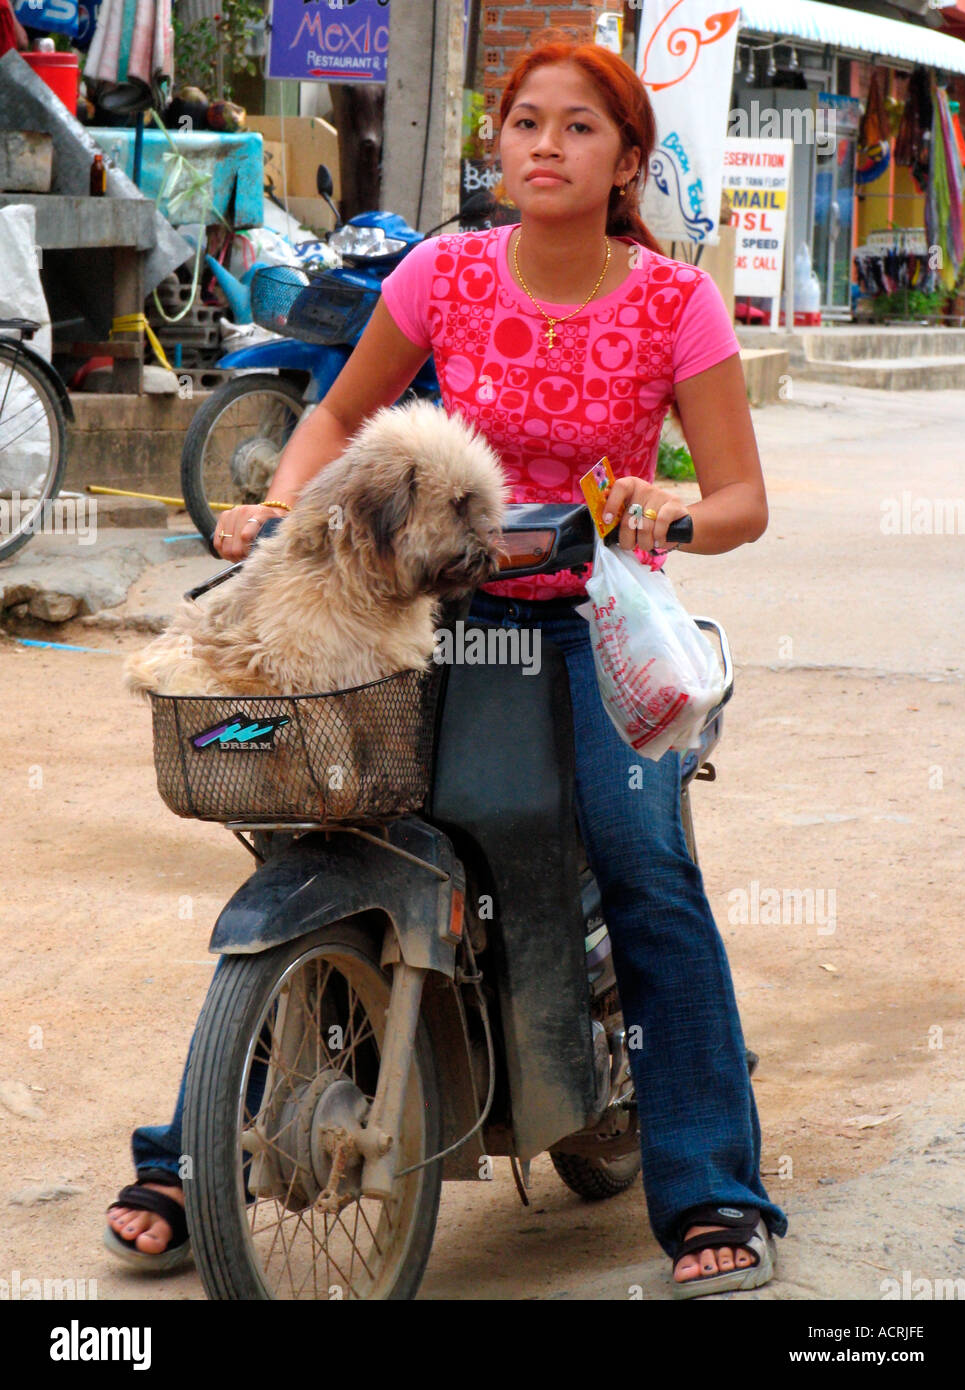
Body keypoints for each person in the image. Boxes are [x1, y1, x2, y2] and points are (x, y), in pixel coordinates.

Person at [107, 29, 787, 1297]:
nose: (544, 143)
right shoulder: (444, 272)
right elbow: (341, 411)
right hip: (424, 615)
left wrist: (664, 509)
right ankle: (200, 1151)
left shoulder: (672, 302)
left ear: (624, 156)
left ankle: (709, 1189)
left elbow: (743, 499)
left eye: (578, 126)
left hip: (590, 622)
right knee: (329, 833)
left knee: (646, 867)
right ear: (500, 140)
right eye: (526, 120)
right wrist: (277, 499)